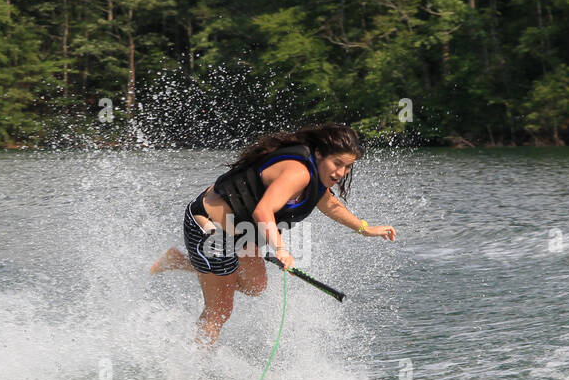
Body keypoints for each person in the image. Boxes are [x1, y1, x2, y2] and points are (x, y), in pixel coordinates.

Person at [151, 122, 397, 345]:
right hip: (210, 231)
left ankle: (178, 260)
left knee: (256, 286)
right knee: (220, 310)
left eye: (347, 166)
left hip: (242, 234)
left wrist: (365, 229)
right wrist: (281, 249)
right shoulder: (298, 172)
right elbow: (263, 212)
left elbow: (329, 204)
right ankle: (197, 369)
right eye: (338, 164)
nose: (341, 173)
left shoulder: (318, 174)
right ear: (320, 154)